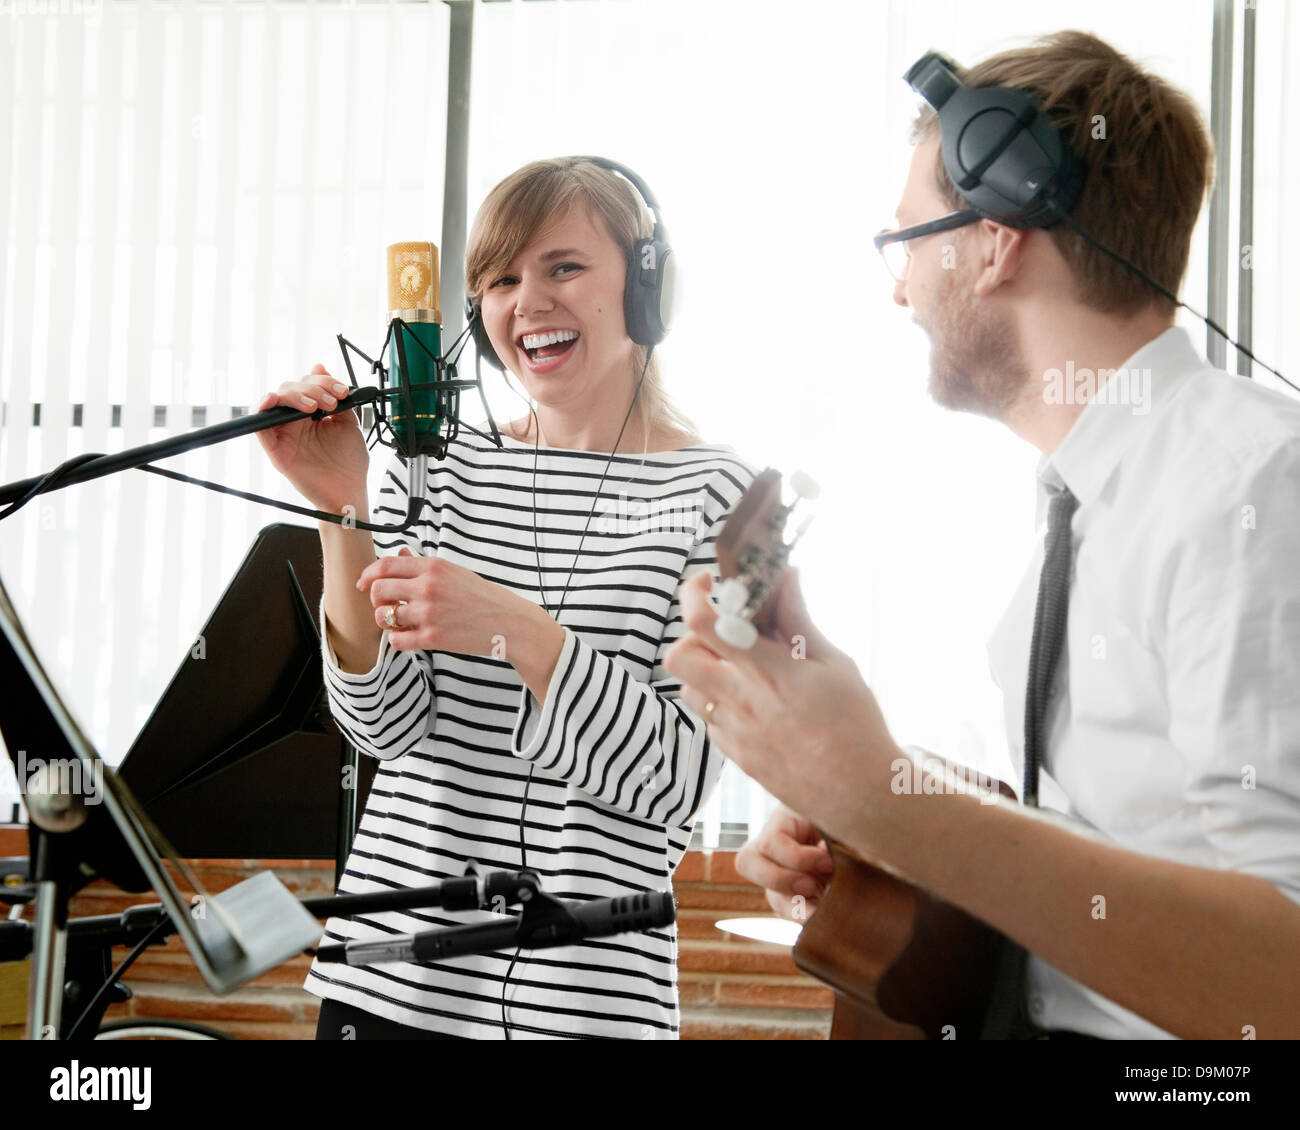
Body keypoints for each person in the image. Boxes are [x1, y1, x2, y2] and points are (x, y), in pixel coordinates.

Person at [664, 32, 1300, 1039]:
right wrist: (873, 800)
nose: (898, 287)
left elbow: (1285, 970)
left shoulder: (1251, 485)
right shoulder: (1093, 498)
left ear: (996, 237)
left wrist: (883, 797)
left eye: (907, 238)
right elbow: (1115, 849)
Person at [257, 156, 754, 1039]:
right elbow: (383, 729)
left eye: (564, 267)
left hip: (588, 1006)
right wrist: (344, 505)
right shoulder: (439, 468)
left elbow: (677, 782)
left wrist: (517, 630)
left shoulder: (724, 498)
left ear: (647, 287)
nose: (526, 301)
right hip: (391, 982)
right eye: (500, 280)